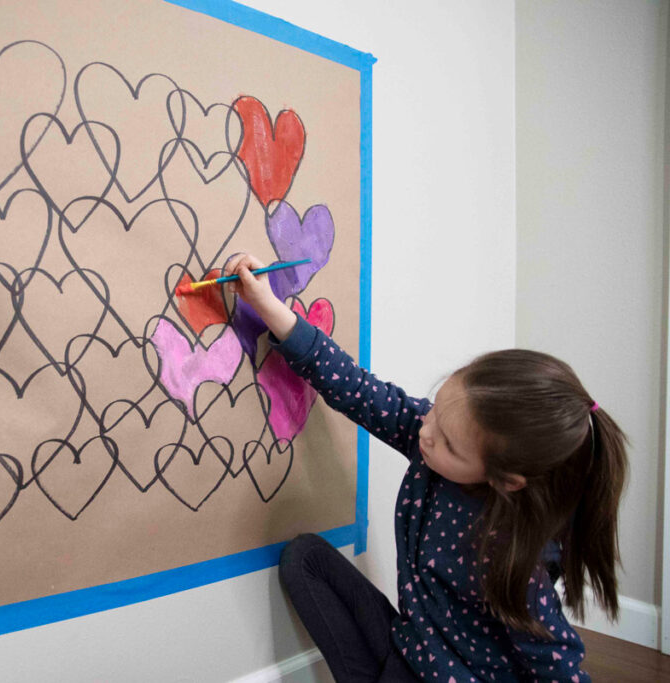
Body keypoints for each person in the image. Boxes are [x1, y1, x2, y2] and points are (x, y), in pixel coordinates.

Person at [223, 253, 628, 682]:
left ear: (504, 480)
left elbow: (559, 668)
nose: (426, 432)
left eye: (448, 442)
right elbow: (357, 388)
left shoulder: (513, 558)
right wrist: (267, 306)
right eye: (436, 411)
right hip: (409, 646)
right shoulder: (429, 433)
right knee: (304, 560)